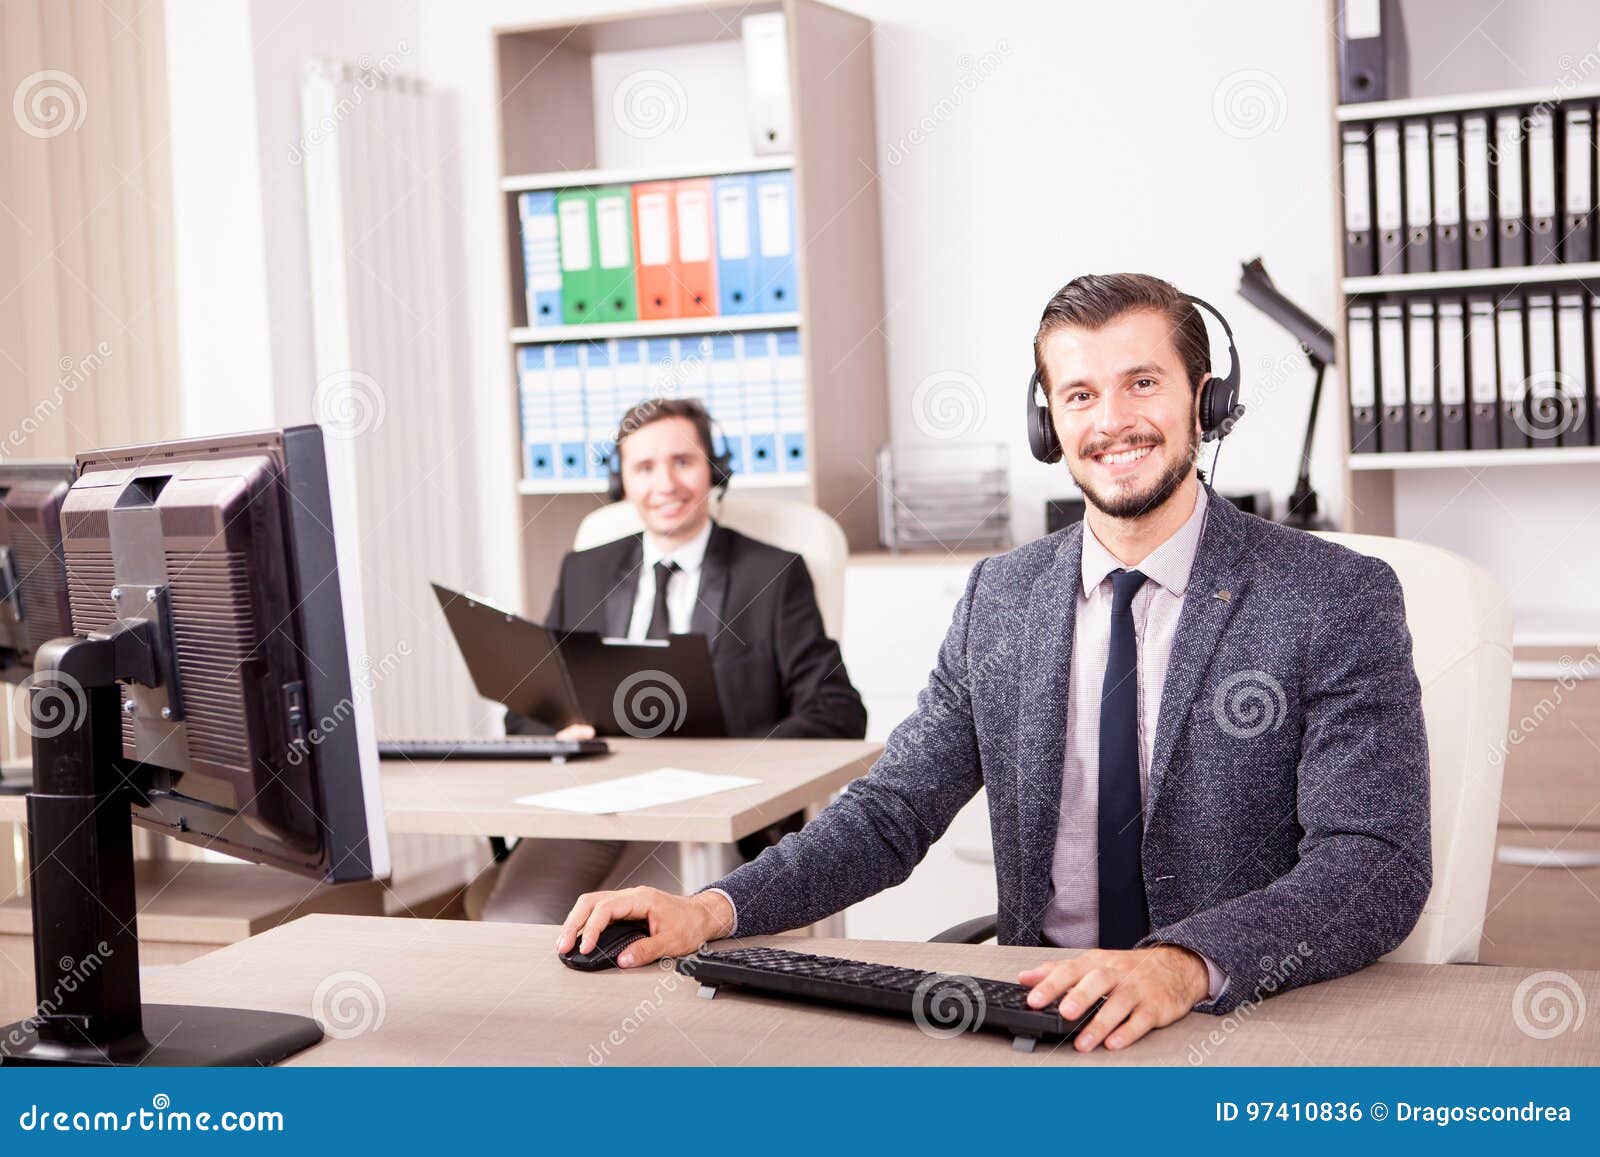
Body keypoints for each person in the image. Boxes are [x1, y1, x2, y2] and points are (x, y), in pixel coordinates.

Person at [556, 273, 1432, 1054]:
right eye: (1080, 394)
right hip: (1038, 1016)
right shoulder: (1001, 598)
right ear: (1048, 422)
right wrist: (708, 909)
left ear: (1205, 402)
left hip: (1230, 1018)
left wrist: (1183, 965)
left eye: (1142, 383)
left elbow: (1376, 858)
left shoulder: (1330, 595)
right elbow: (891, 812)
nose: (1112, 421)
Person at [482, 396, 867, 923]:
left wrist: (733, 768)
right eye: (644, 467)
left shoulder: (772, 575)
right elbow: (527, 710)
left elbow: (836, 710)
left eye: (683, 461)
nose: (664, 484)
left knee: (646, 936)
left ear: (713, 470)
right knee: (514, 921)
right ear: (622, 481)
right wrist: (560, 731)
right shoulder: (584, 572)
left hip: (713, 819)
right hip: (597, 806)